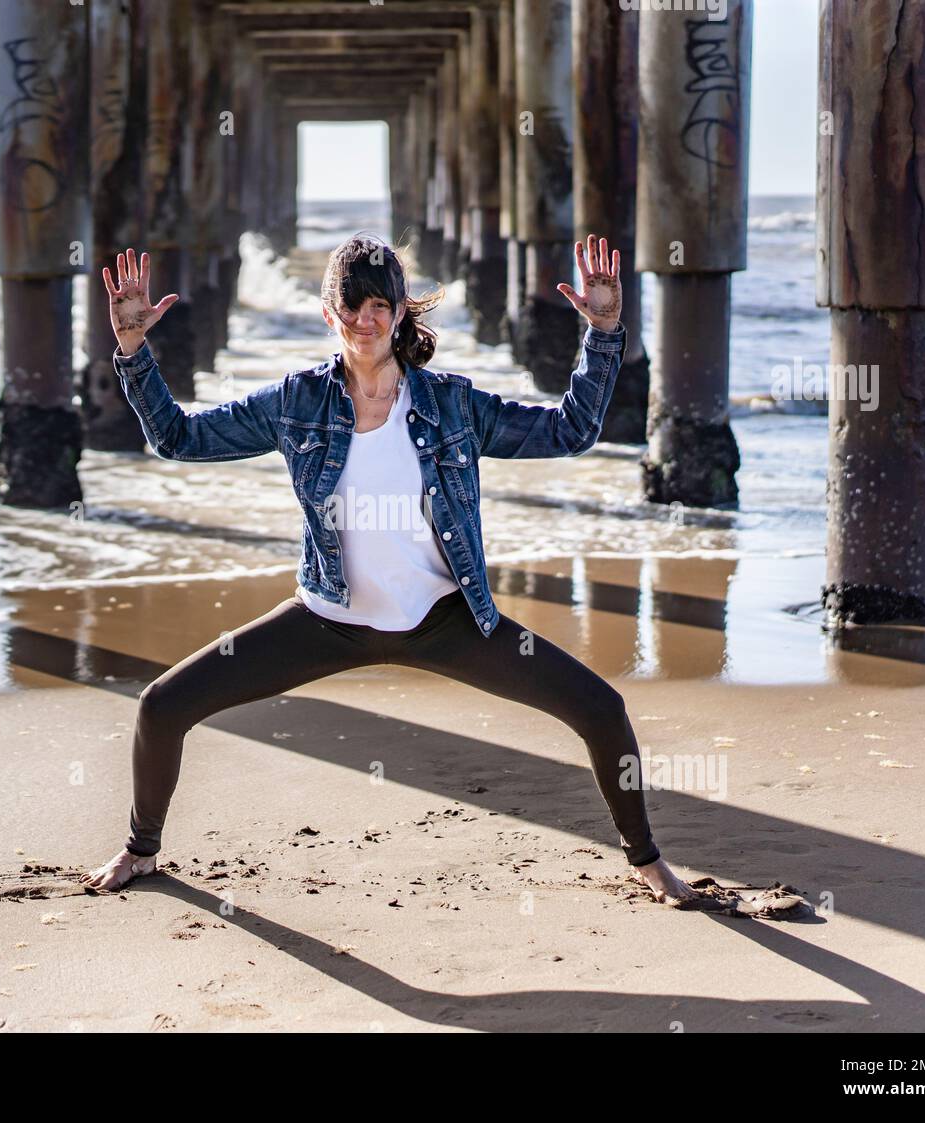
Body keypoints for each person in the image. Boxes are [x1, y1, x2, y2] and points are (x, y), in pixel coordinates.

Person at [81, 234, 698, 907]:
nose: (366, 320)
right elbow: (178, 437)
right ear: (329, 313)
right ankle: (142, 849)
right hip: (327, 620)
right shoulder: (296, 403)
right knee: (162, 705)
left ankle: (648, 860)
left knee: (600, 707)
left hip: (445, 623)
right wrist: (134, 350)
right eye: (352, 306)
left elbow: (570, 430)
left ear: (402, 312)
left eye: (380, 304)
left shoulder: (452, 406)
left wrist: (603, 334)